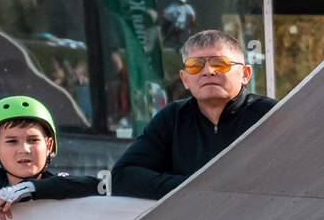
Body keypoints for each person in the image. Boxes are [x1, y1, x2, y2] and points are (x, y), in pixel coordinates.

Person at [110, 31, 275, 200]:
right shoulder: (173, 118)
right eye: (195, 65)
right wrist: (199, 188)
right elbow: (122, 176)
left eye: (219, 63)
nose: (208, 71)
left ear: (245, 74)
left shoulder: (270, 115)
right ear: (185, 79)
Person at [0, 95, 99, 220]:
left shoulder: (60, 184)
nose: (24, 149)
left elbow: (99, 186)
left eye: (33, 140)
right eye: (12, 141)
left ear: (49, 145)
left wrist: (26, 189)